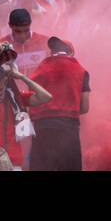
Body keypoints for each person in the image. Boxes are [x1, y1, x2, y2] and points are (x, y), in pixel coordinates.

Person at [29, 37, 89, 171]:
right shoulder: (80, 70)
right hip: (68, 129)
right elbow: (85, 107)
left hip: (42, 129)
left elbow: (30, 101)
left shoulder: (39, 69)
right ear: (71, 52)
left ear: (51, 52)